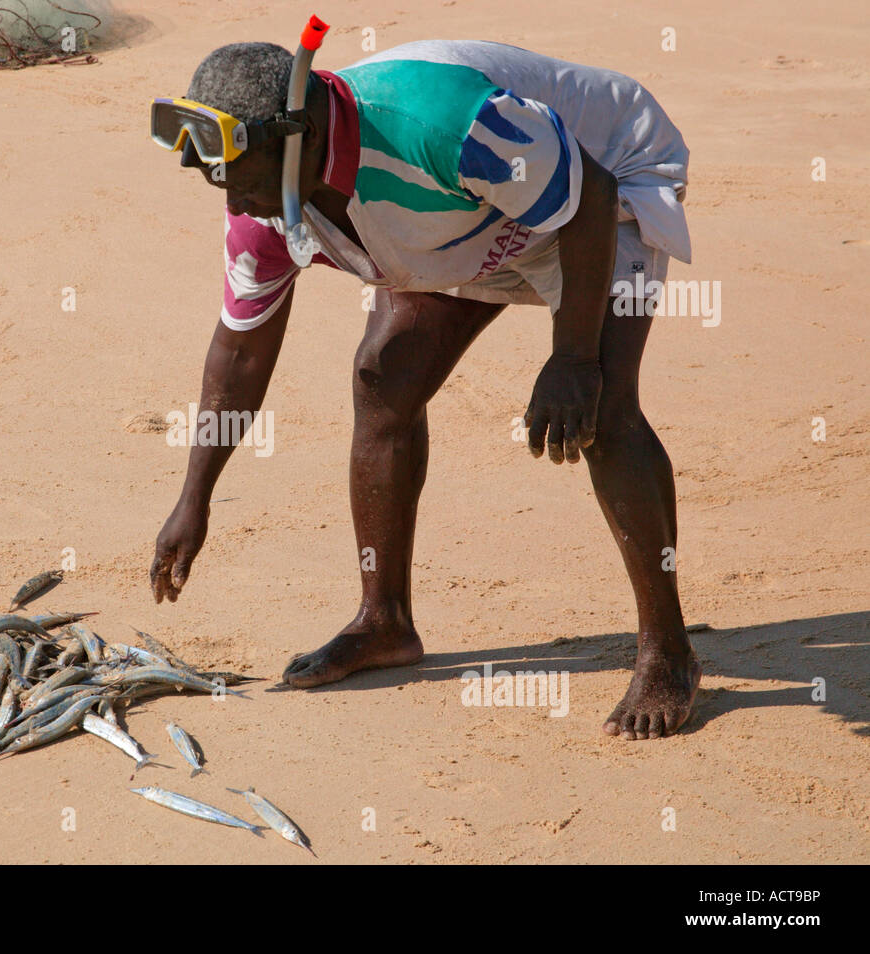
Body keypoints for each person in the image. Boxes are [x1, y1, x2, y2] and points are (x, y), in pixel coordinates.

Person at [148, 39, 699, 740]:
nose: (232, 199)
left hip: (601, 185)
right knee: (383, 383)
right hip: (467, 217)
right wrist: (194, 498)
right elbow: (241, 351)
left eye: (238, 176)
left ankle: (668, 650)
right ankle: (385, 622)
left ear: (303, 137)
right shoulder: (262, 212)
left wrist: (572, 359)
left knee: (604, 412)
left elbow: (587, 192)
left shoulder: (444, 124)